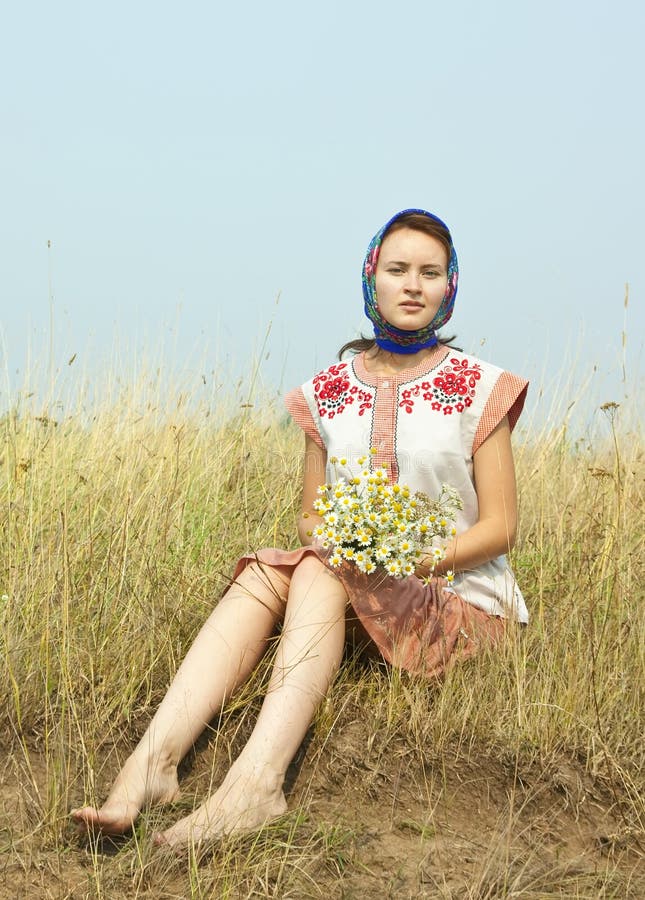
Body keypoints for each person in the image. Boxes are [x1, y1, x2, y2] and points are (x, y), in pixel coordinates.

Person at [72, 208, 528, 850]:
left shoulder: (482, 387)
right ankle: (151, 766)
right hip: (354, 595)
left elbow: (502, 528)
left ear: (450, 286)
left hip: (454, 600)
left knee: (317, 568)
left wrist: (406, 560)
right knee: (269, 570)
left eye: (430, 273)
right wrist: (348, 544)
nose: (413, 285)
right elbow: (311, 515)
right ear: (371, 277)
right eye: (398, 269)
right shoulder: (328, 391)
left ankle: (257, 786)